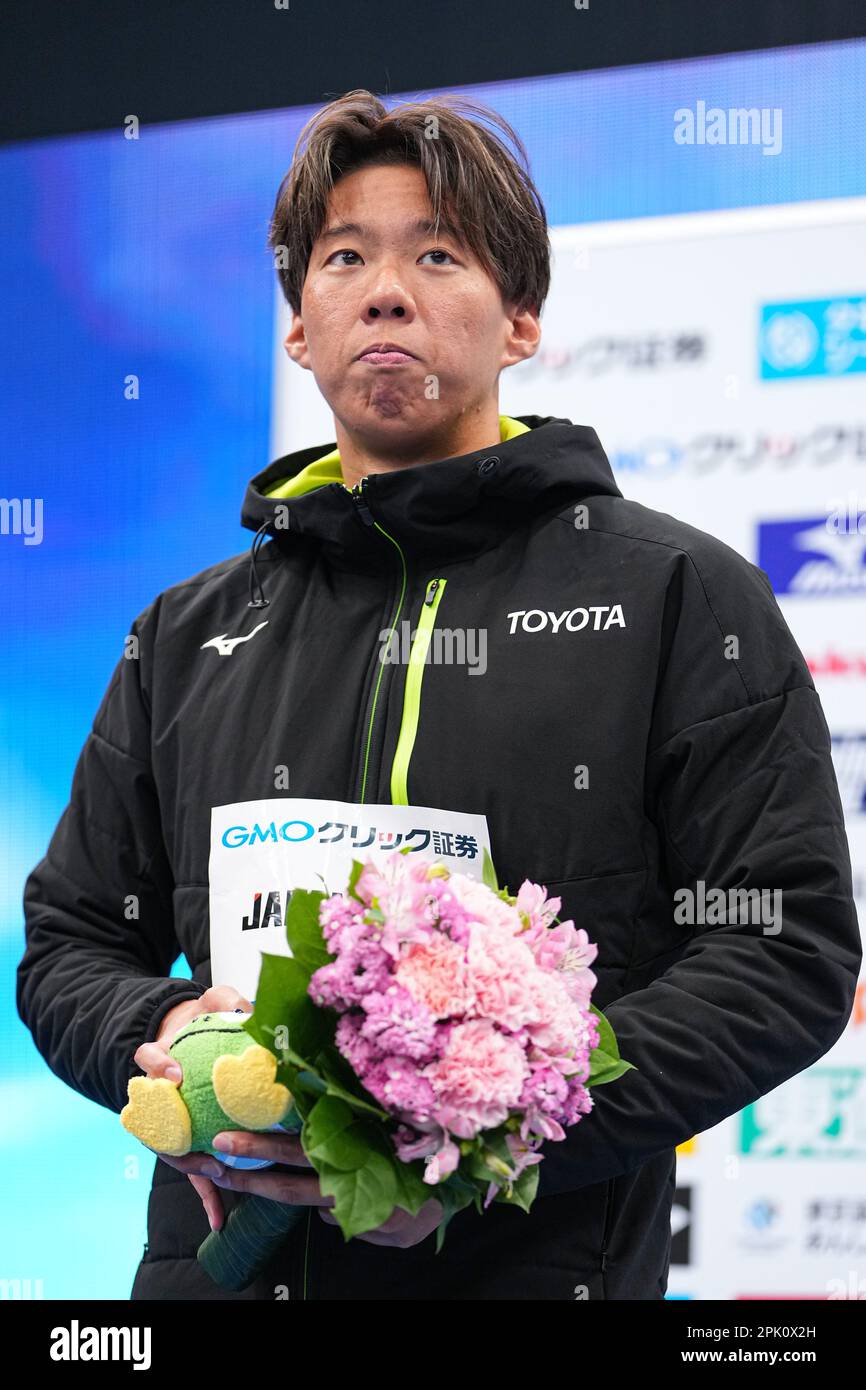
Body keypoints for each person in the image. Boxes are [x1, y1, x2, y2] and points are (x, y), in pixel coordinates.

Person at [18, 88, 861, 1301]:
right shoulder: (187, 633)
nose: (385, 290)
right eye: (344, 257)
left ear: (520, 319)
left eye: (438, 254)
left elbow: (777, 950)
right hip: (215, 1280)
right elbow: (70, 940)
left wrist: (497, 1133)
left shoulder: (676, 597)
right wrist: (161, 1043)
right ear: (299, 326)